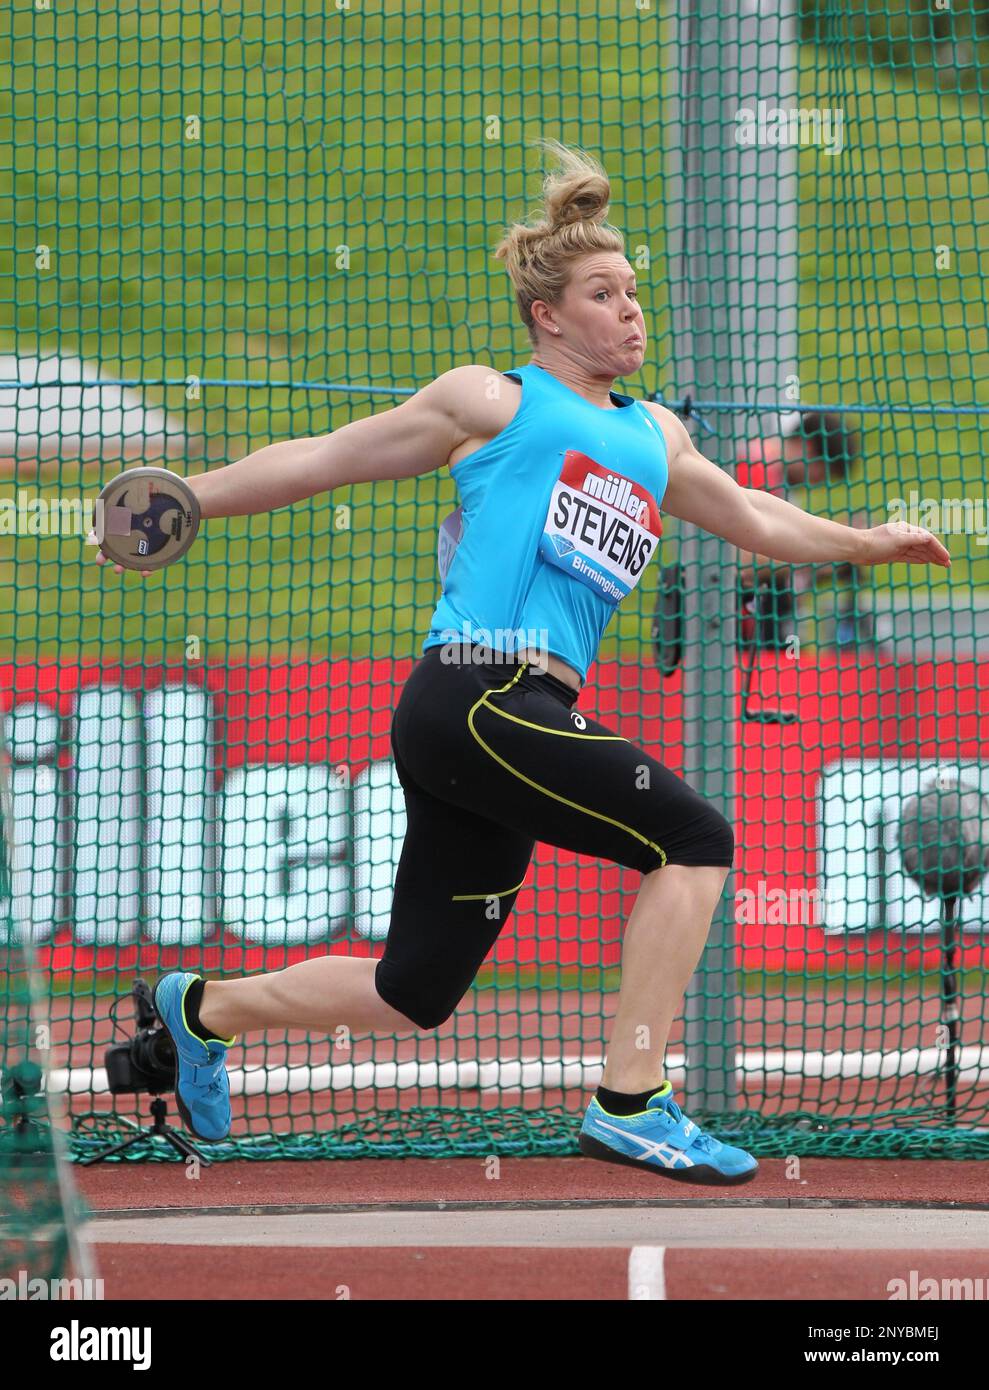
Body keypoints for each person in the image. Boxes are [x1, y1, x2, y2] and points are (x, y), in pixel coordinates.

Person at [97, 139, 949, 1184]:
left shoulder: (657, 437)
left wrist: (865, 542)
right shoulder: (490, 401)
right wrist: (181, 499)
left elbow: (752, 516)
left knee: (414, 990)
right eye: (603, 293)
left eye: (633, 291)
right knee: (693, 837)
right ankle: (631, 1098)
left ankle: (199, 1009)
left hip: (509, 719)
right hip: (478, 690)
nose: (630, 309)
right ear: (548, 317)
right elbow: (324, 458)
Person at [736, 412, 864, 650]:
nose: (818, 482)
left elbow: (777, 563)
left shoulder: (779, 482)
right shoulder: (754, 469)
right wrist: (830, 549)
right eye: (823, 471)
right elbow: (739, 559)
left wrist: (830, 561)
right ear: (807, 447)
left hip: (758, 626)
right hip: (737, 627)